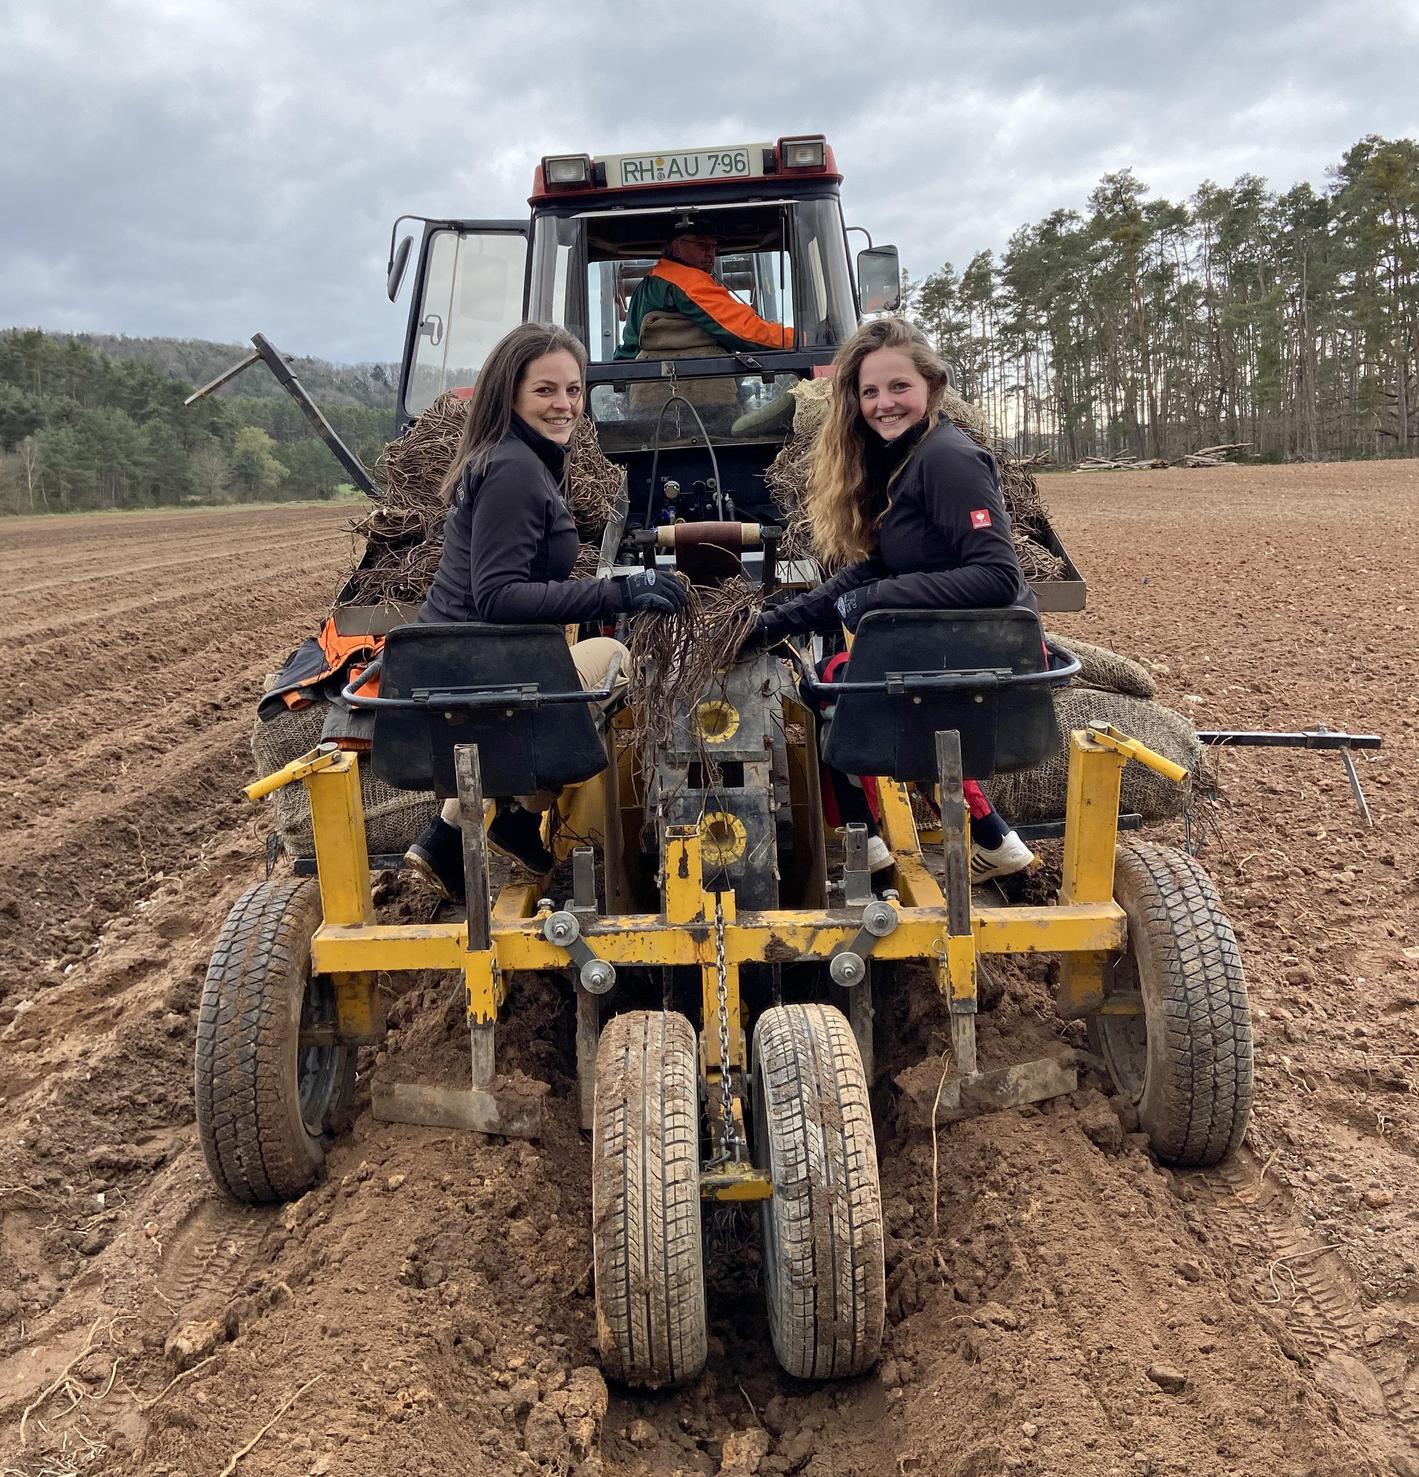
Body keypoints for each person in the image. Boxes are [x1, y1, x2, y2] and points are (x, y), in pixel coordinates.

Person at [404, 323, 687, 898]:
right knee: (613, 659)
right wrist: (620, 594)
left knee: (583, 658)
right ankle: (505, 814)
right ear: (509, 392)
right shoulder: (512, 469)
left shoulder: (515, 457)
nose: (564, 405)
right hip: (476, 667)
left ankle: (460, 830)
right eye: (545, 391)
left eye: (574, 391)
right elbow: (498, 596)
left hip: (463, 658)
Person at [751, 317, 1037, 883]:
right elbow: (879, 567)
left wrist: (878, 599)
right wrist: (778, 620)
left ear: (931, 385)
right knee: (854, 683)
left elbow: (998, 576)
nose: (884, 403)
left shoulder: (947, 458)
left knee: (827, 687)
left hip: (983, 651)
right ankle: (991, 839)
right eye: (870, 392)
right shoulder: (904, 461)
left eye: (898, 387)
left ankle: (867, 851)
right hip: (943, 647)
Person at [614, 225, 795, 360]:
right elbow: (741, 329)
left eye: (713, 246)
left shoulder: (650, 282)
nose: (711, 253)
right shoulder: (687, 280)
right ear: (677, 247)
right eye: (702, 245)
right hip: (694, 390)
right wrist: (795, 338)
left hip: (641, 382)